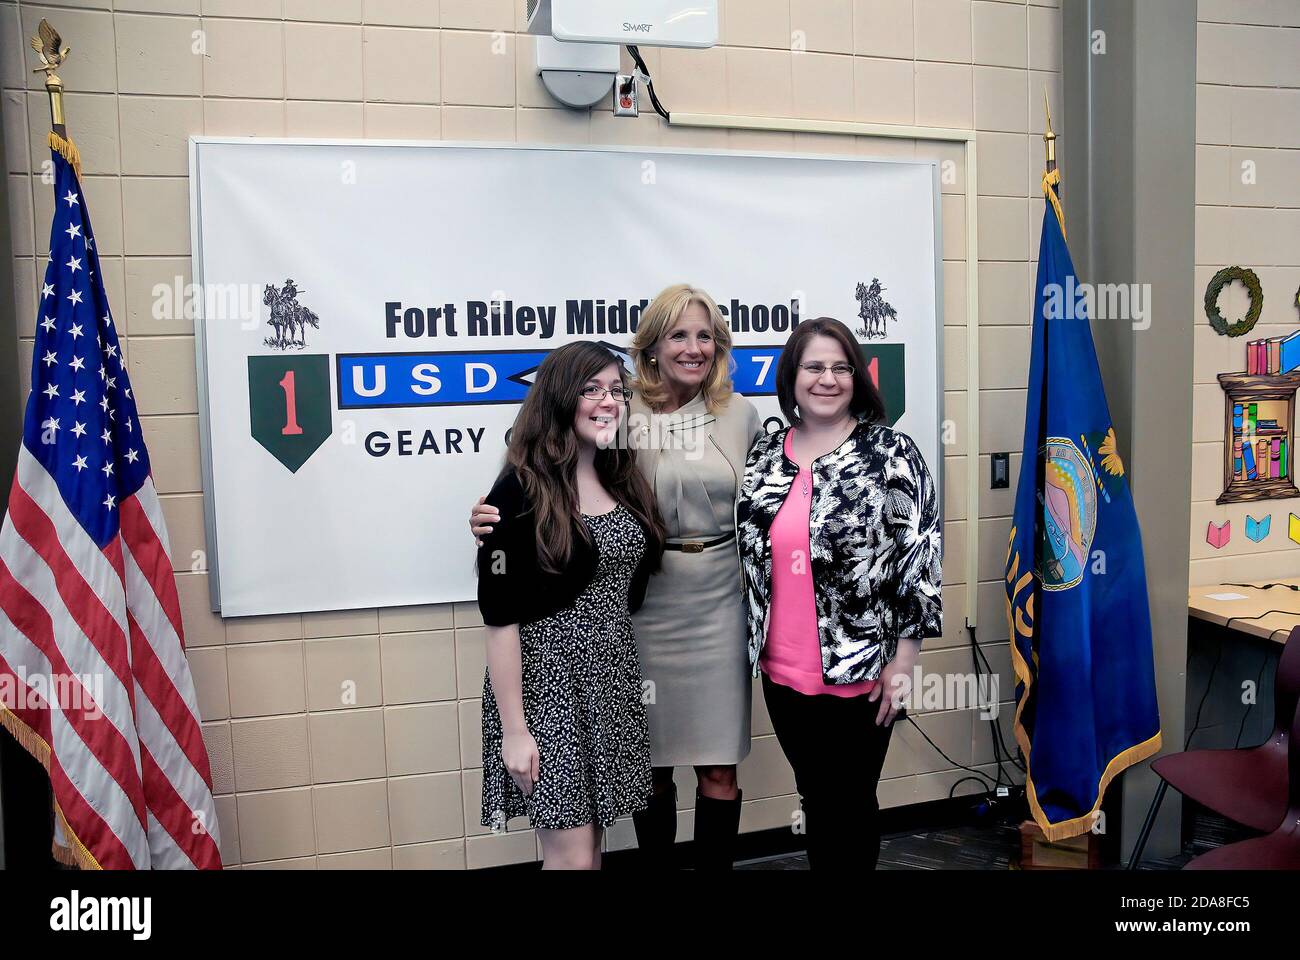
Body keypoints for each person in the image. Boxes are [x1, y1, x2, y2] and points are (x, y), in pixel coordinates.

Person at [472, 284, 762, 870]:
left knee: (716, 766)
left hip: (716, 601)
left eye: (705, 335)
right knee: (642, 768)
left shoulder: (742, 415)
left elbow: (771, 503)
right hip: (641, 608)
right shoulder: (624, 415)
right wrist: (491, 520)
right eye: (678, 334)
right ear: (651, 346)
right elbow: (543, 478)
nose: (693, 347)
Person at [736, 317, 942, 871]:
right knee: (816, 799)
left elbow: (919, 561)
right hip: (782, 670)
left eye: (839, 367)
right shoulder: (766, 452)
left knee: (849, 803)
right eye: (813, 367)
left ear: (856, 376)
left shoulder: (891, 452)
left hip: (863, 670)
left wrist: (904, 662)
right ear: (792, 376)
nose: (827, 379)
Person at [477, 341, 666, 870]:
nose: (608, 402)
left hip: (610, 685)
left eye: (616, 391)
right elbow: (499, 621)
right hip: (546, 694)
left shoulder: (621, 478)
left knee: (592, 849)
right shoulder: (518, 489)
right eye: (591, 390)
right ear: (561, 399)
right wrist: (515, 731)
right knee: (573, 859)